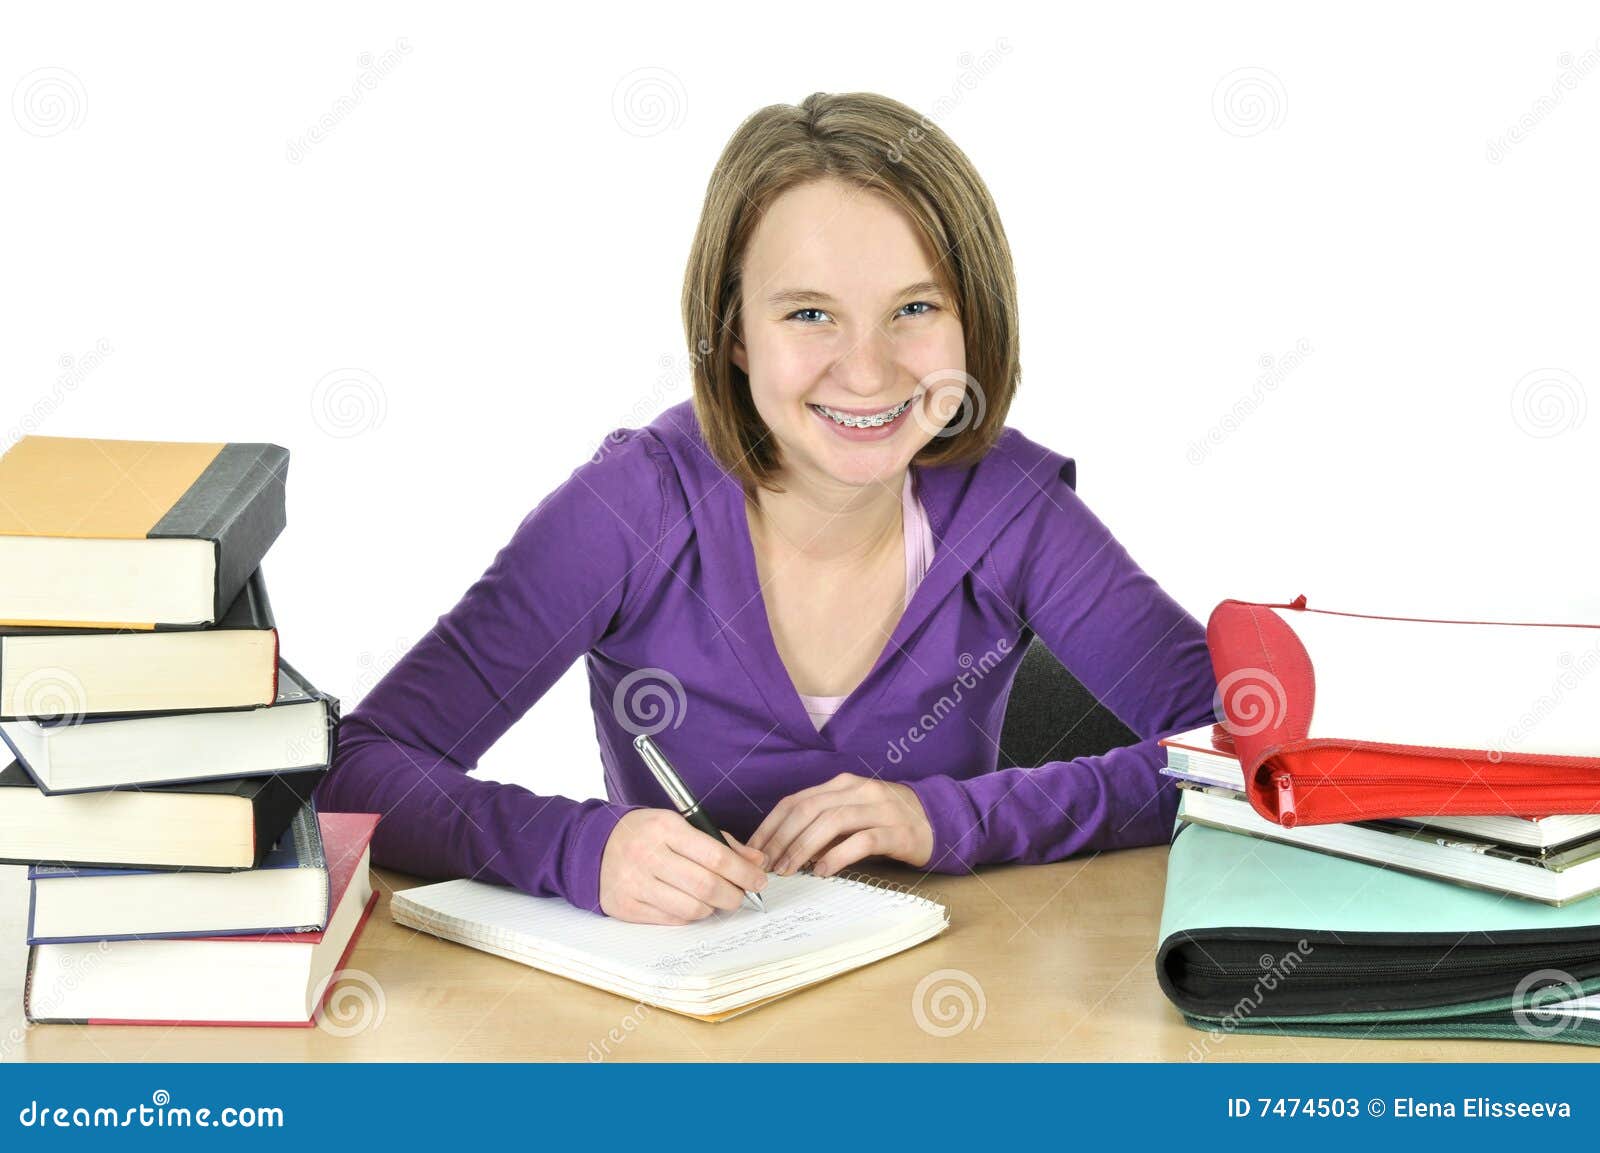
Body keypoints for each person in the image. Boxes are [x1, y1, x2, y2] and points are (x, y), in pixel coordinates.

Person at [313, 91, 1218, 924]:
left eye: (913, 306)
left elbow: (1247, 752)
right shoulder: (631, 508)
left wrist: (945, 816)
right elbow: (362, 767)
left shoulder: (1011, 507)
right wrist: (577, 849)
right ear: (733, 335)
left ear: (972, 322)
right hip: (686, 1024)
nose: (868, 370)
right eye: (809, 315)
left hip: (942, 1015)